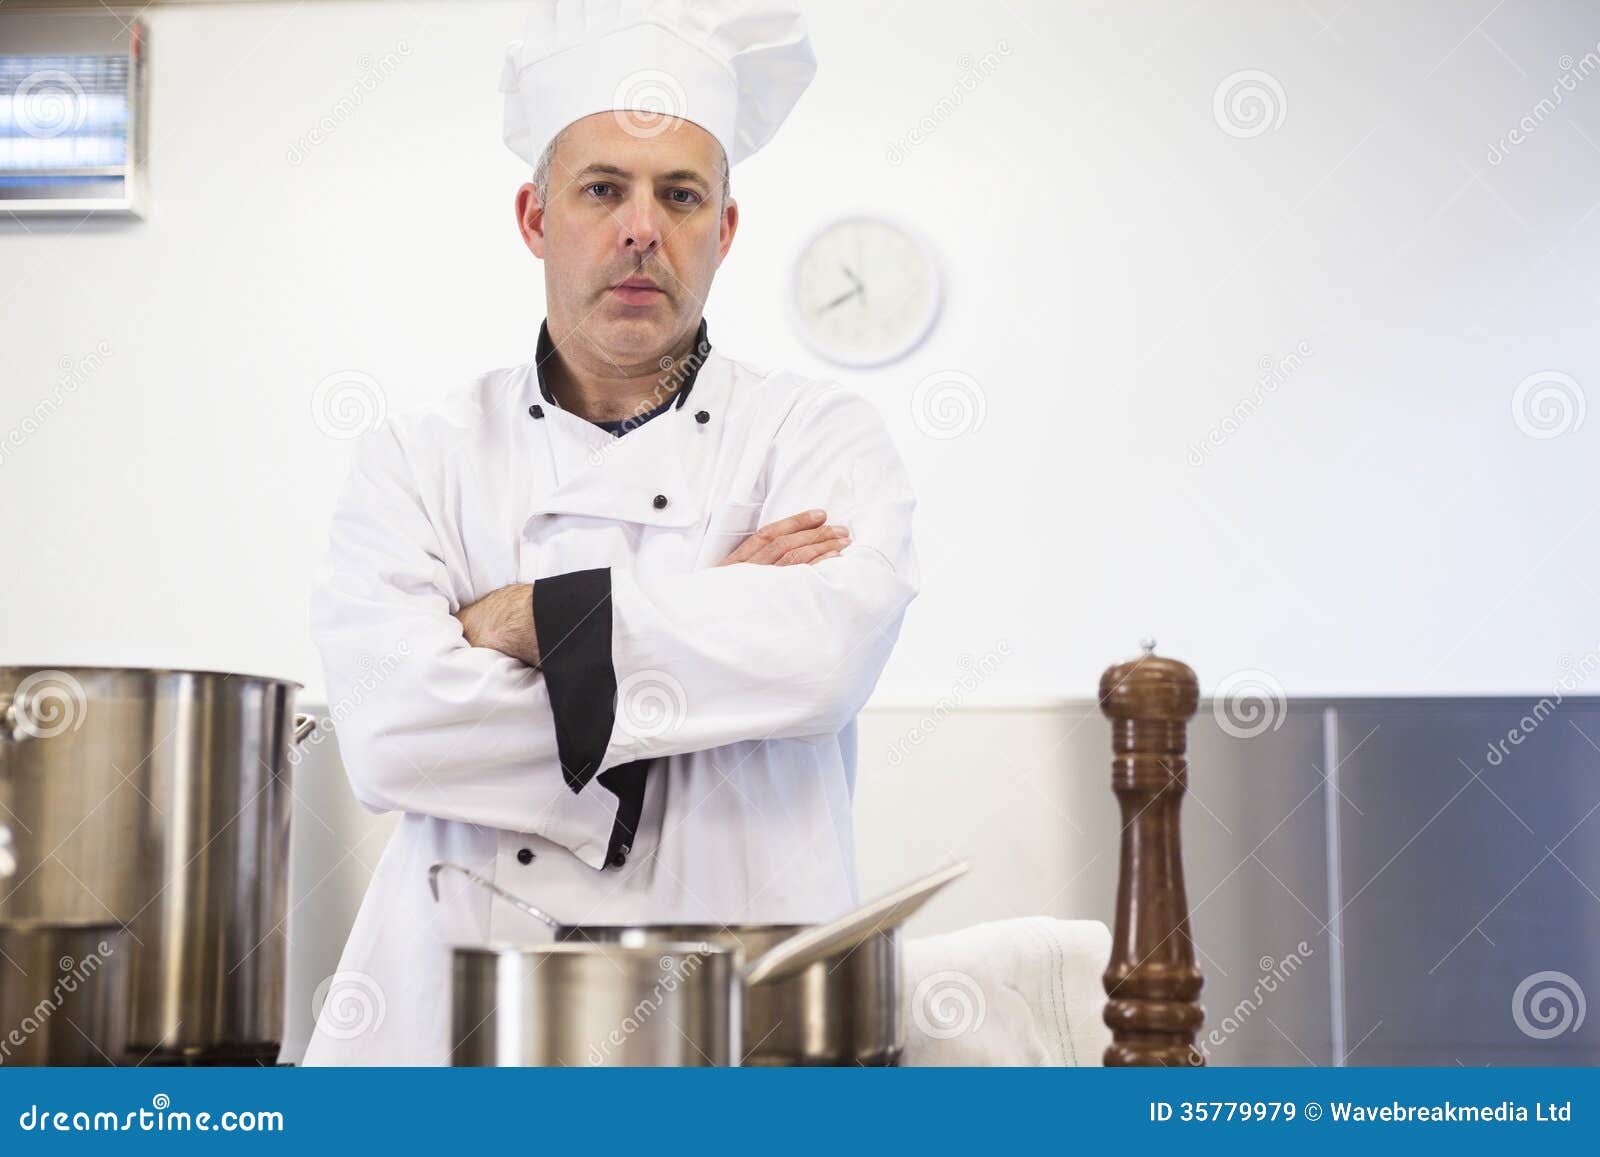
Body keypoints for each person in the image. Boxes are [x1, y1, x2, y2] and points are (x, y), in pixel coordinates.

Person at [303, 0, 919, 1065]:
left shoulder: (816, 433)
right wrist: (713, 618)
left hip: (738, 1014)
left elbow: (820, 659)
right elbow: (392, 729)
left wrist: (514, 619)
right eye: (602, 189)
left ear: (724, 230)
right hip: (447, 1015)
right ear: (535, 218)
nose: (642, 228)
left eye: (680, 194)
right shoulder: (418, 455)